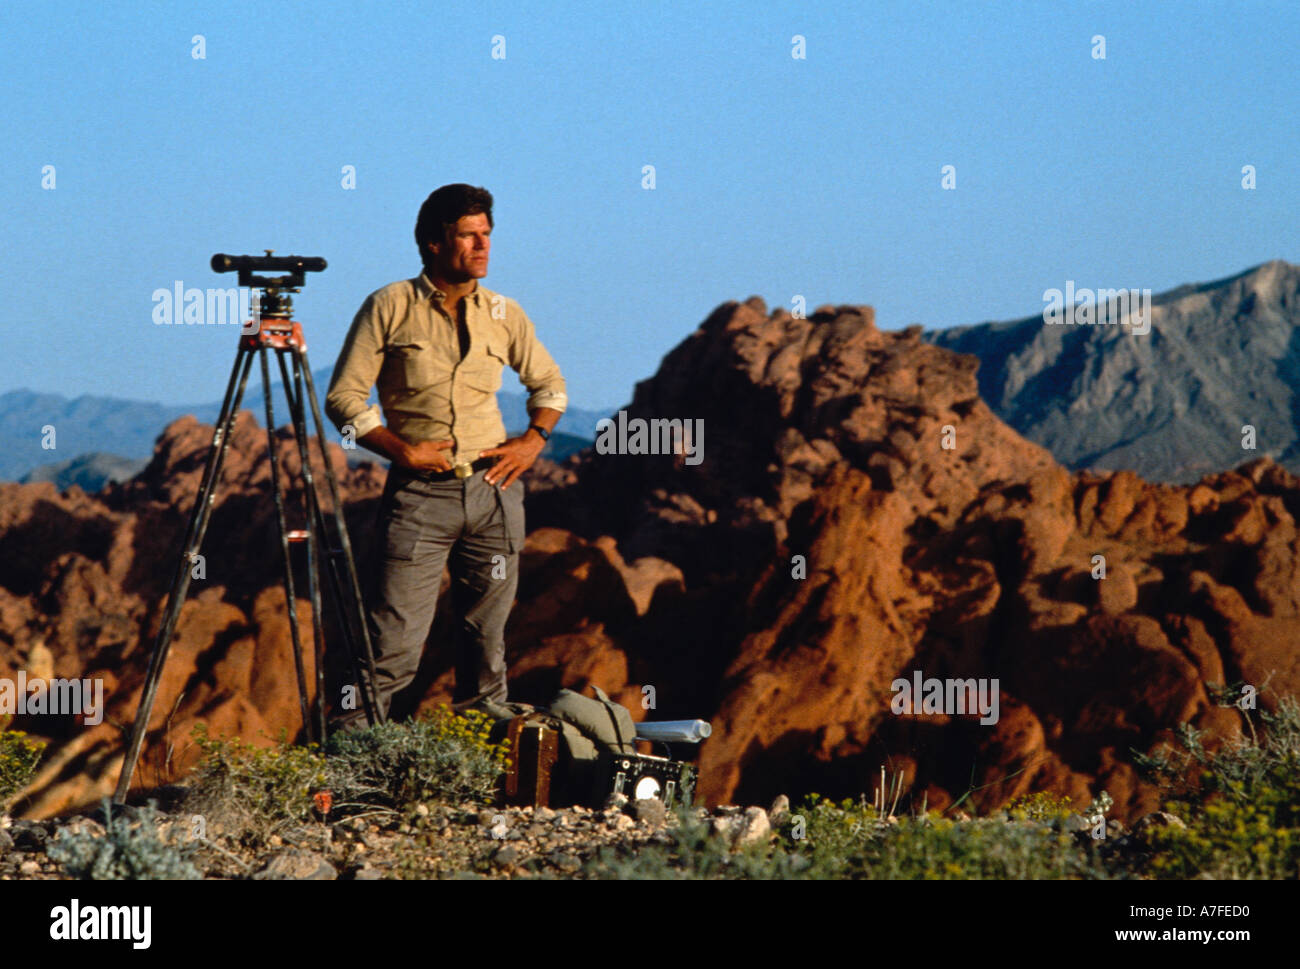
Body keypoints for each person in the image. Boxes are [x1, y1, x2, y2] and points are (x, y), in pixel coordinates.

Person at [324, 183, 567, 729]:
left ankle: (481, 780)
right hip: (420, 498)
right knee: (392, 646)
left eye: (486, 234)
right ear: (434, 242)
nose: (482, 246)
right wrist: (400, 449)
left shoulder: (505, 313)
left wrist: (533, 441)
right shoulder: (389, 305)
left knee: (487, 648)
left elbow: (549, 385)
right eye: (468, 235)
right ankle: (344, 779)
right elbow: (342, 398)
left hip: (496, 493)